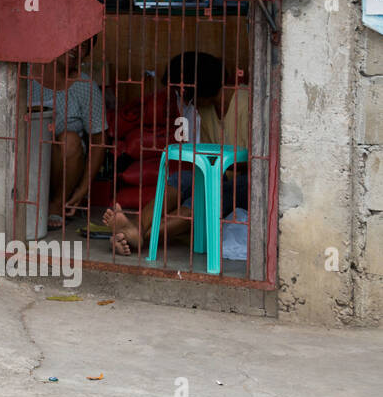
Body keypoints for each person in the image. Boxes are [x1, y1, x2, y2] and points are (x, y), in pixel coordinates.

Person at [103, 51, 251, 256]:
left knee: (204, 198)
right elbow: (209, 157)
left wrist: (218, 169)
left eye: (182, 92)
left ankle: (138, 236)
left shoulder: (247, 103)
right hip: (223, 176)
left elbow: (257, 162)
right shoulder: (206, 110)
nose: (181, 98)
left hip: (249, 184)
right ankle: (136, 228)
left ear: (197, 87)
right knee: (180, 178)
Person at [27, 39, 107, 230]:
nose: (76, 48)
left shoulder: (84, 86)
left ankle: (56, 204)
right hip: (28, 157)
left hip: (62, 169)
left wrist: (82, 190)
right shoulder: (25, 74)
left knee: (69, 140)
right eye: (72, 40)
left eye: (84, 45)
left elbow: (99, 140)